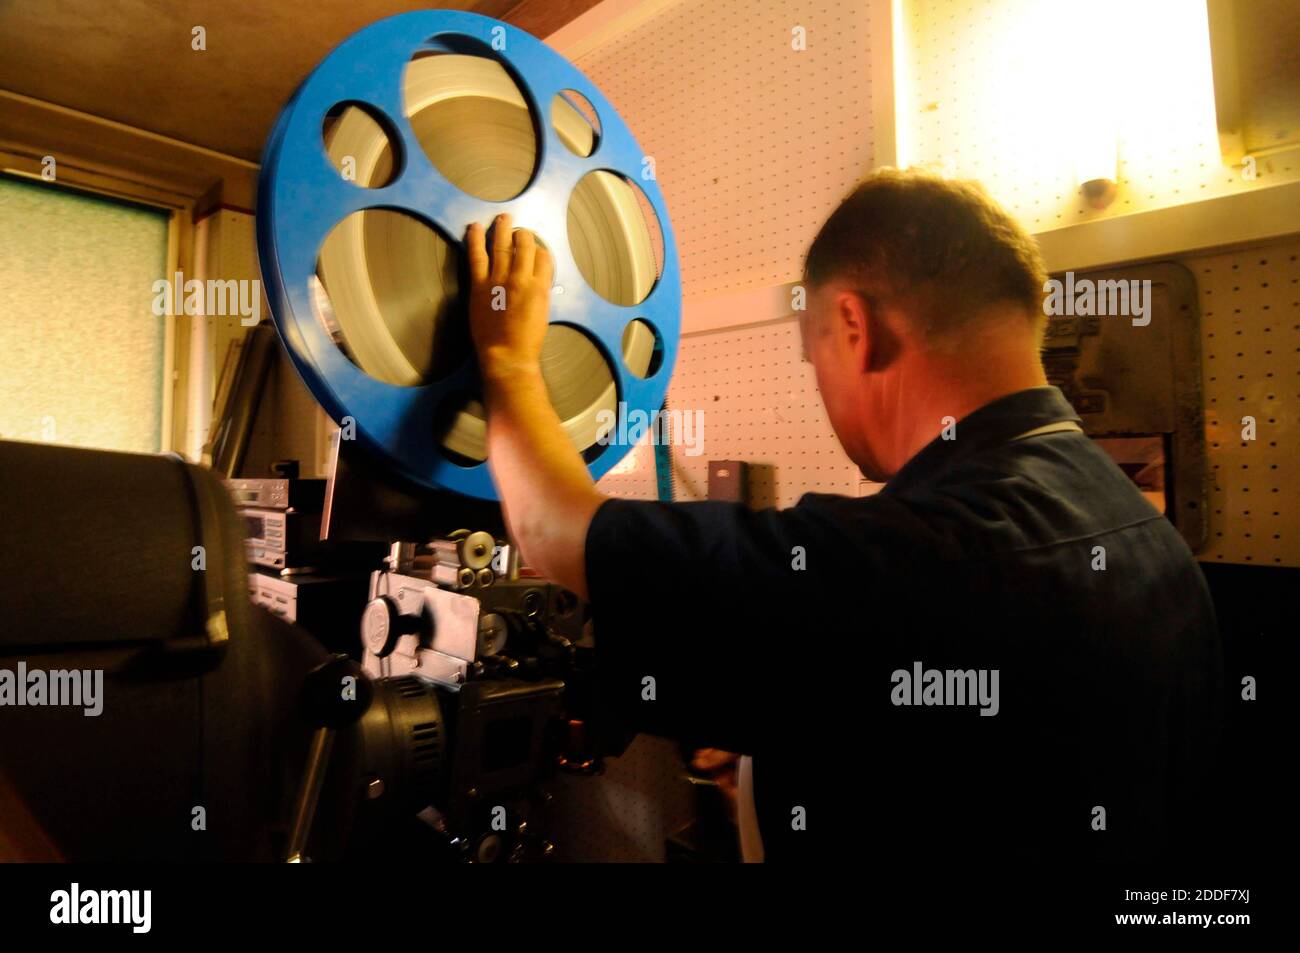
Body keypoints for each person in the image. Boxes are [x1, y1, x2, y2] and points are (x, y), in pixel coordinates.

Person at [462, 169, 1221, 864]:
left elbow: (554, 528)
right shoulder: (1155, 543)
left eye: (812, 349)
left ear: (857, 326)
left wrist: (508, 357)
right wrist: (784, 767)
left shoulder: (908, 557)